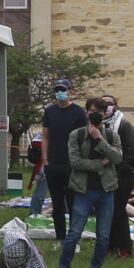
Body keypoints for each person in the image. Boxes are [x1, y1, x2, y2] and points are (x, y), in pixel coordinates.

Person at [60, 107, 117, 268]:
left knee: (103, 236)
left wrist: (99, 139)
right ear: (87, 114)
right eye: (93, 111)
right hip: (83, 190)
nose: (96, 115)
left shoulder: (111, 135)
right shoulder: (76, 135)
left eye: (100, 112)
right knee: (74, 233)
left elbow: (117, 158)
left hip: (107, 190)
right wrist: (100, 164)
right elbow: (75, 162)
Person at [91, 95, 134, 257]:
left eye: (110, 104)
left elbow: (132, 150)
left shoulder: (123, 125)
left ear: (115, 106)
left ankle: (124, 248)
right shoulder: (97, 126)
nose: (107, 107)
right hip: (105, 175)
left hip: (122, 175)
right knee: (109, 211)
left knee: (118, 211)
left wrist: (120, 168)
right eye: (104, 104)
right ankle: (111, 245)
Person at [39, 81, 86, 244]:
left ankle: (74, 239)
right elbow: (45, 136)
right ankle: (60, 237)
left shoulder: (78, 112)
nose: (60, 93)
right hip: (53, 163)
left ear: (70, 92)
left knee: (74, 203)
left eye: (63, 90)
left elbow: (83, 139)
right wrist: (45, 160)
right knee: (57, 203)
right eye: (57, 90)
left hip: (72, 164)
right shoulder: (50, 111)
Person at [22, 123, 50, 218]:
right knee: (41, 191)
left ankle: (65, 213)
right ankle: (34, 213)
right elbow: (35, 142)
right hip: (46, 167)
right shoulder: (43, 134)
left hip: (58, 165)